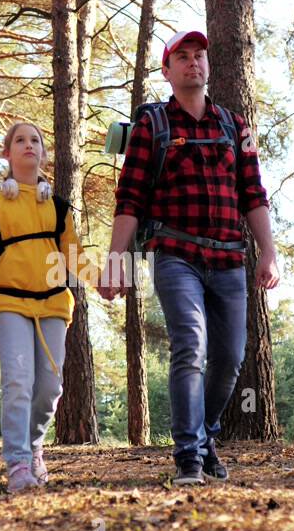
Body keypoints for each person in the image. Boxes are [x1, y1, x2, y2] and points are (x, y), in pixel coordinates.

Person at [101, 31, 281, 486]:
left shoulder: (234, 126)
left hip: (228, 260)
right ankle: (188, 457)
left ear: (207, 65)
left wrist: (269, 253)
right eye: (182, 57)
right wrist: (113, 262)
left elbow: (253, 194)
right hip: (176, 255)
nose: (193, 63)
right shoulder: (152, 125)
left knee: (231, 358)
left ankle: (204, 437)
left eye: (199, 56)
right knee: (190, 346)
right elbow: (130, 199)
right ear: (167, 70)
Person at [0, 122, 100, 493]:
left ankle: (35, 445)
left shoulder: (58, 207)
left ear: (44, 153)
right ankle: (18, 462)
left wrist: (101, 279)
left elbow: (74, 255)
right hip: (7, 302)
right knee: (18, 382)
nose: (28, 145)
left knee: (50, 387)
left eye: (35, 140)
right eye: (19, 140)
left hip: (53, 303)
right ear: (8, 153)